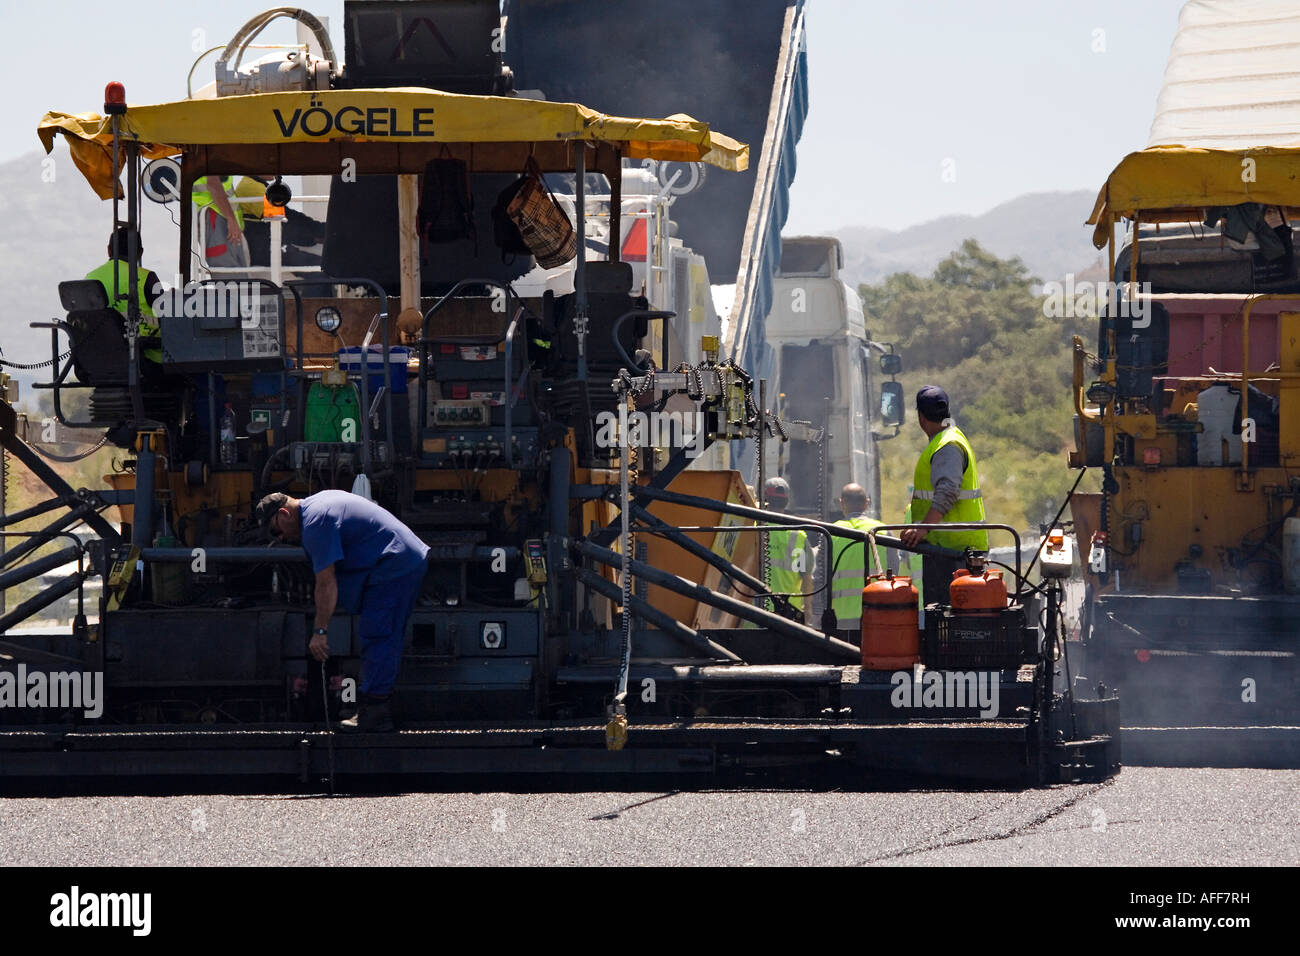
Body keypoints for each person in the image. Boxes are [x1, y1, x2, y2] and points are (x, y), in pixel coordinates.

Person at [256, 490, 430, 732]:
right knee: (379, 632)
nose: (281, 538)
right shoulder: (318, 504)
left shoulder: (315, 523)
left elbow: (326, 583)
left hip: (393, 563)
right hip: (395, 558)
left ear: (284, 514)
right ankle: (374, 705)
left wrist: (320, 631)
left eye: (276, 531)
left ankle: (375, 713)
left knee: (378, 632)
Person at [900, 385, 988, 607]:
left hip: (955, 554)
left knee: (947, 619)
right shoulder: (949, 439)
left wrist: (923, 529)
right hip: (951, 550)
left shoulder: (947, 445)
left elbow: (948, 491)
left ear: (921, 417)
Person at [85, 226, 166, 363]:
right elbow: (168, 318)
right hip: (145, 360)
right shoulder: (146, 277)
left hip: (99, 361)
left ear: (109, 250)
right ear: (140, 253)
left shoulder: (89, 278)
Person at [828, 483, 883, 632]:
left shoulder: (830, 533)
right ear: (866, 503)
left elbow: (820, 577)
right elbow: (894, 572)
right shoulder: (883, 532)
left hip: (840, 616)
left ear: (842, 503)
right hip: (877, 614)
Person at [762, 476, 814, 624]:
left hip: (756, 610)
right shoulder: (798, 537)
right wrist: (807, 612)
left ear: (765, 499)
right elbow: (807, 578)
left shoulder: (753, 529)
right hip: (790, 613)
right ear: (786, 501)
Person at [193, 175, 250, 268]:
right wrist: (231, 219)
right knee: (228, 272)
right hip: (216, 217)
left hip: (220, 217)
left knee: (237, 271)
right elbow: (213, 184)